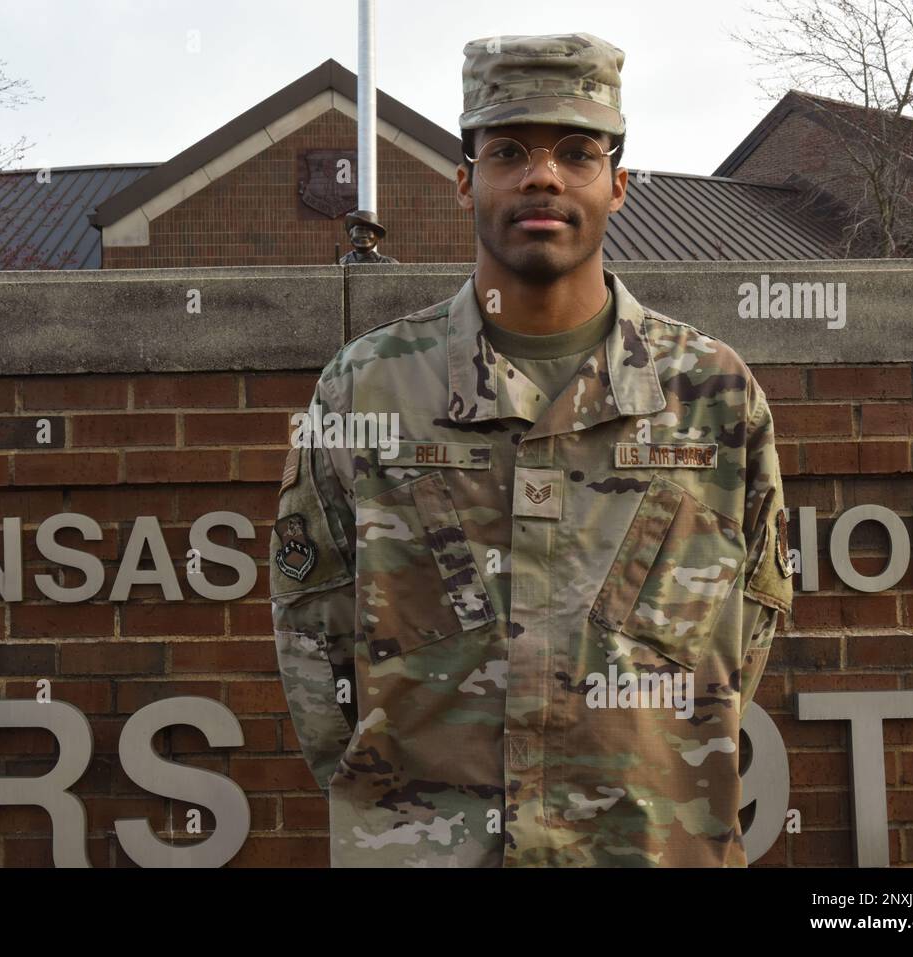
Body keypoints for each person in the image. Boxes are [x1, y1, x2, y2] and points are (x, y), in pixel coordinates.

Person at [269, 32, 794, 867]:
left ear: (618, 186)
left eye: (577, 151)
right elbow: (313, 640)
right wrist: (404, 829)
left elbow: (746, 638)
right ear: (465, 180)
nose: (542, 175)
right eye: (508, 149)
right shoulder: (367, 390)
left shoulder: (713, 397)